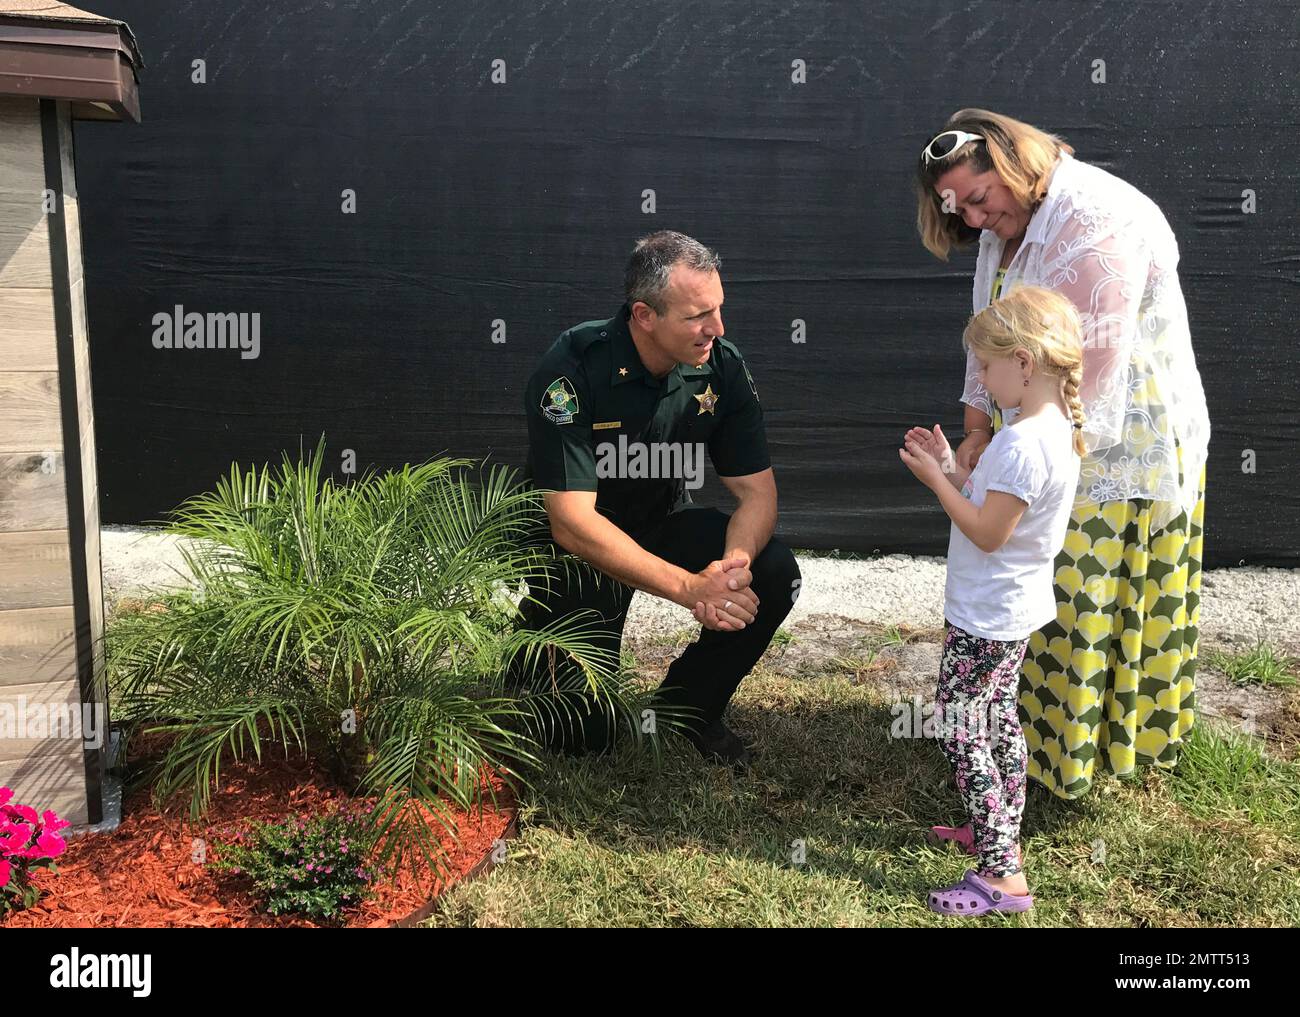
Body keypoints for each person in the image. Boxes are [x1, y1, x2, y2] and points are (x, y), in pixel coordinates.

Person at [914, 108, 1212, 799]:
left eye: (979, 201)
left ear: (1011, 161)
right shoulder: (1006, 221)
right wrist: (978, 430)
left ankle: (1076, 761)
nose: (977, 222)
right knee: (1036, 602)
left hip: (1111, 440)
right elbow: (989, 331)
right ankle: (1026, 756)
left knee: (1079, 602)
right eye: (962, 213)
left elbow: (1086, 376)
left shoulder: (1096, 224)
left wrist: (1009, 462)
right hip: (1041, 432)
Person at [509, 230, 801, 767]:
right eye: (697, 316)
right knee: (581, 740)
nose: (717, 328)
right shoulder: (573, 369)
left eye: (718, 309)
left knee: (775, 569)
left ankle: (687, 708)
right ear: (644, 315)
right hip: (574, 549)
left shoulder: (721, 364)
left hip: (657, 522)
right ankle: (535, 651)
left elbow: (757, 493)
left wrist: (730, 572)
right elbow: (571, 523)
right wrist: (691, 588)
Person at [900, 285, 1084, 915]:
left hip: (986, 612)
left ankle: (1002, 874)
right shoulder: (1046, 433)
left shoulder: (1022, 443)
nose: (980, 378)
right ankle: (998, 832)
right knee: (999, 715)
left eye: (985, 365)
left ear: (1024, 362)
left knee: (958, 722)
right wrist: (952, 468)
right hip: (1013, 608)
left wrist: (933, 483)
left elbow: (985, 531)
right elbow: (988, 503)